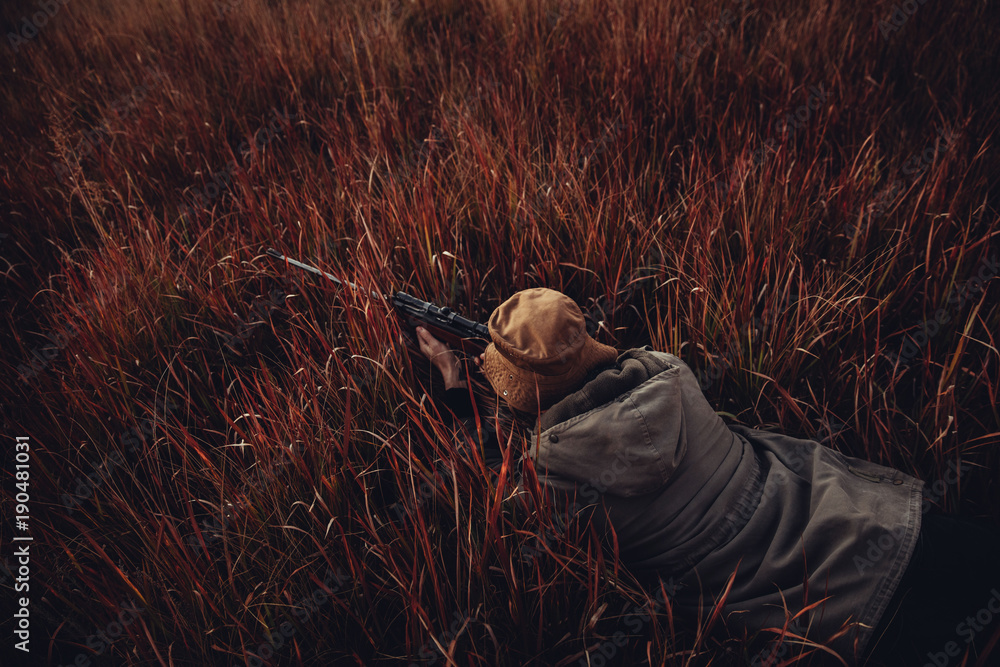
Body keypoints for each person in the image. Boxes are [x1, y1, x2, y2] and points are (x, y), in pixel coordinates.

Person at [415, 287, 1000, 666]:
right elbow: (611, 376)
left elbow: (490, 481)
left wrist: (452, 381)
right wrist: (545, 360)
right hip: (879, 521)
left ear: (523, 399)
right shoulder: (672, 373)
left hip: (845, 616)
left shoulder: (554, 480)